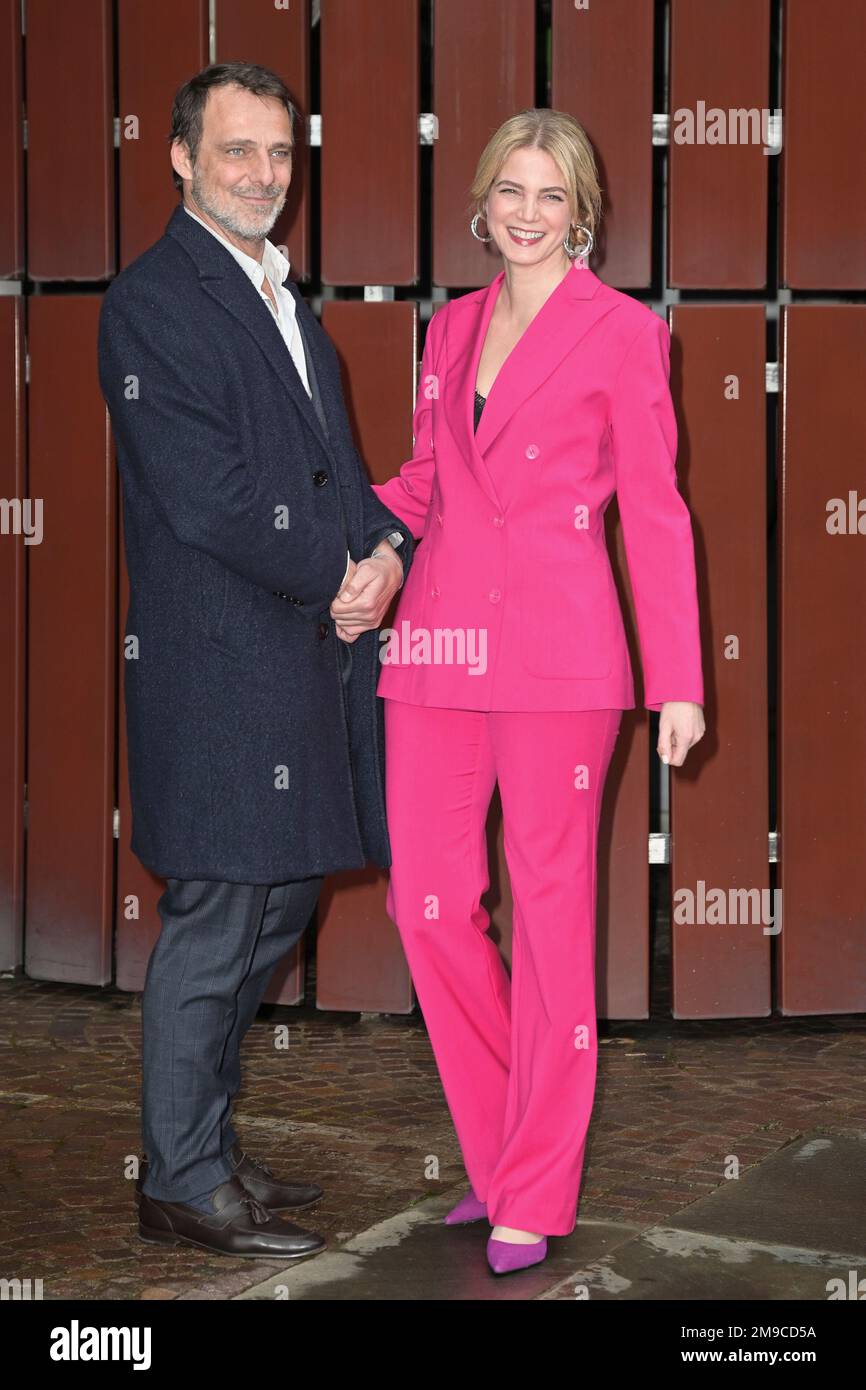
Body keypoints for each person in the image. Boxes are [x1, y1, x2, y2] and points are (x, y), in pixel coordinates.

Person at [350, 108, 706, 1275]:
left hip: (560, 663)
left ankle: (533, 1185)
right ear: (481, 199)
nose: (527, 213)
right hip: (436, 653)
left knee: (552, 927)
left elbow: (653, 511)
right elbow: (424, 480)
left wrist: (677, 683)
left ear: (582, 210)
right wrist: (363, 550)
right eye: (510, 189)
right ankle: (505, 1150)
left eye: (551, 195)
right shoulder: (446, 329)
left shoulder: (620, 333)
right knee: (428, 908)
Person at [97, 62, 410, 1260]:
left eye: (279, 155)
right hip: (220, 665)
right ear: (179, 157)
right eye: (236, 152)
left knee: (275, 900)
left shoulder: (284, 298)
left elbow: (328, 469)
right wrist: (331, 575)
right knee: (221, 913)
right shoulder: (152, 302)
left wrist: (378, 549)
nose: (262, 176)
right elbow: (206, 498)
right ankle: (177, 1180)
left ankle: (208, 1150)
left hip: (296, 661)